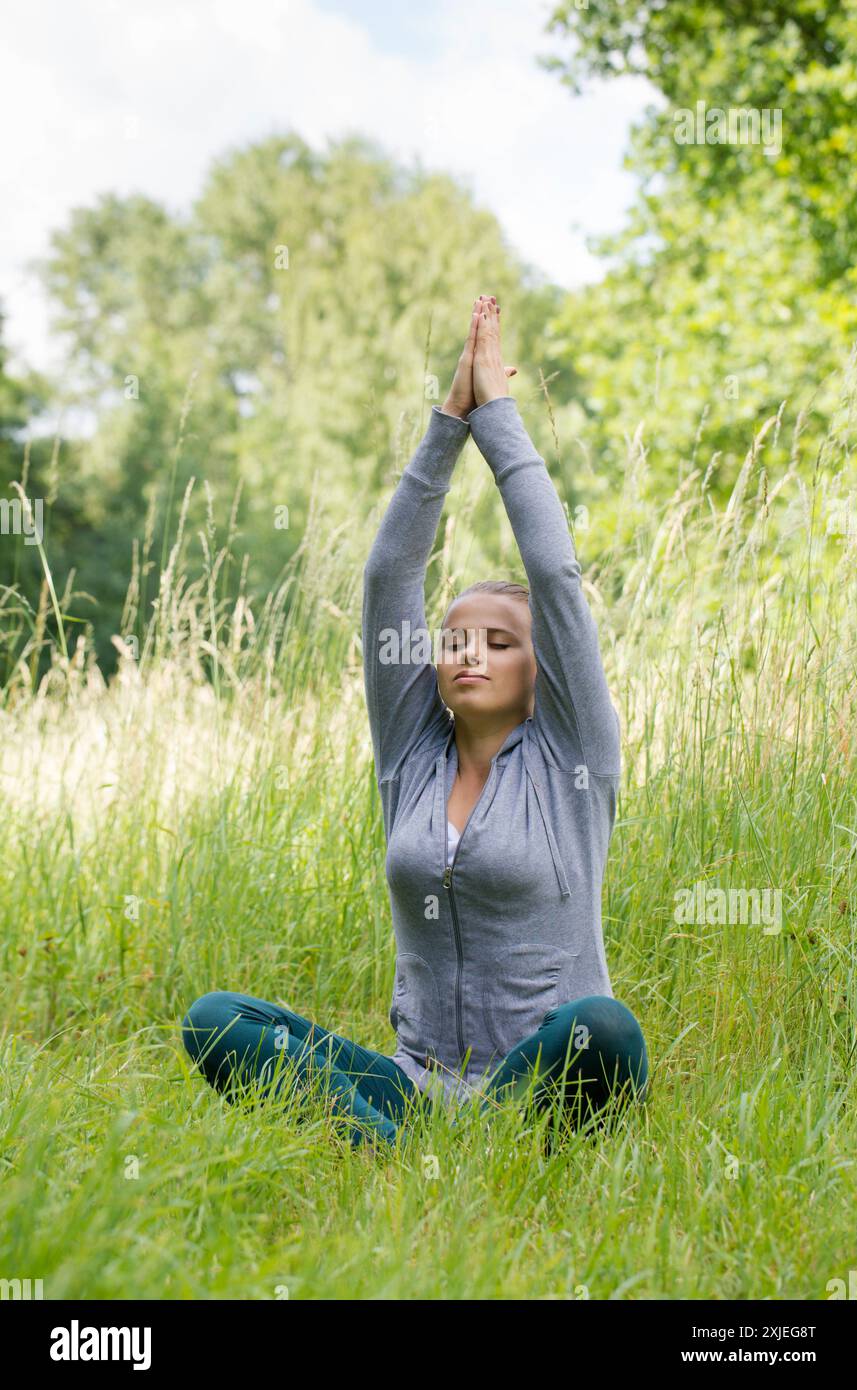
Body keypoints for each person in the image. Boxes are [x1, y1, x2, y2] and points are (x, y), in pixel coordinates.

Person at [181, 295, 649, 1150]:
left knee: (605, 1029)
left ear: (541, 669)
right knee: (217, 1020)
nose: (470, 653)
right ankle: (396, 1143)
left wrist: (495, 418)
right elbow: (388, 577)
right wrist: (446, 424)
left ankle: (477, 1142)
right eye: (456, 640)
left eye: (499, 643)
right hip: (416, 1083)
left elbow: (554, 568)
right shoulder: (412, 756)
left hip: (535, 1074)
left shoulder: (575, 756)